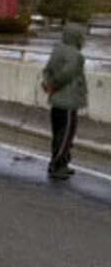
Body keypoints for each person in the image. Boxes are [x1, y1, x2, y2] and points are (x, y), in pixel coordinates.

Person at [41, 23, 87, 179]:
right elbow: (66, 75)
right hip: (68, 101)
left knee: (58, 133)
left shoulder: (57, 50)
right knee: (66, 136)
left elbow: (48, 70)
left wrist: (48, 85)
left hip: (56, 102)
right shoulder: (76, 56)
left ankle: (62, 163)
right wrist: (54, 85)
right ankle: (57, 166)